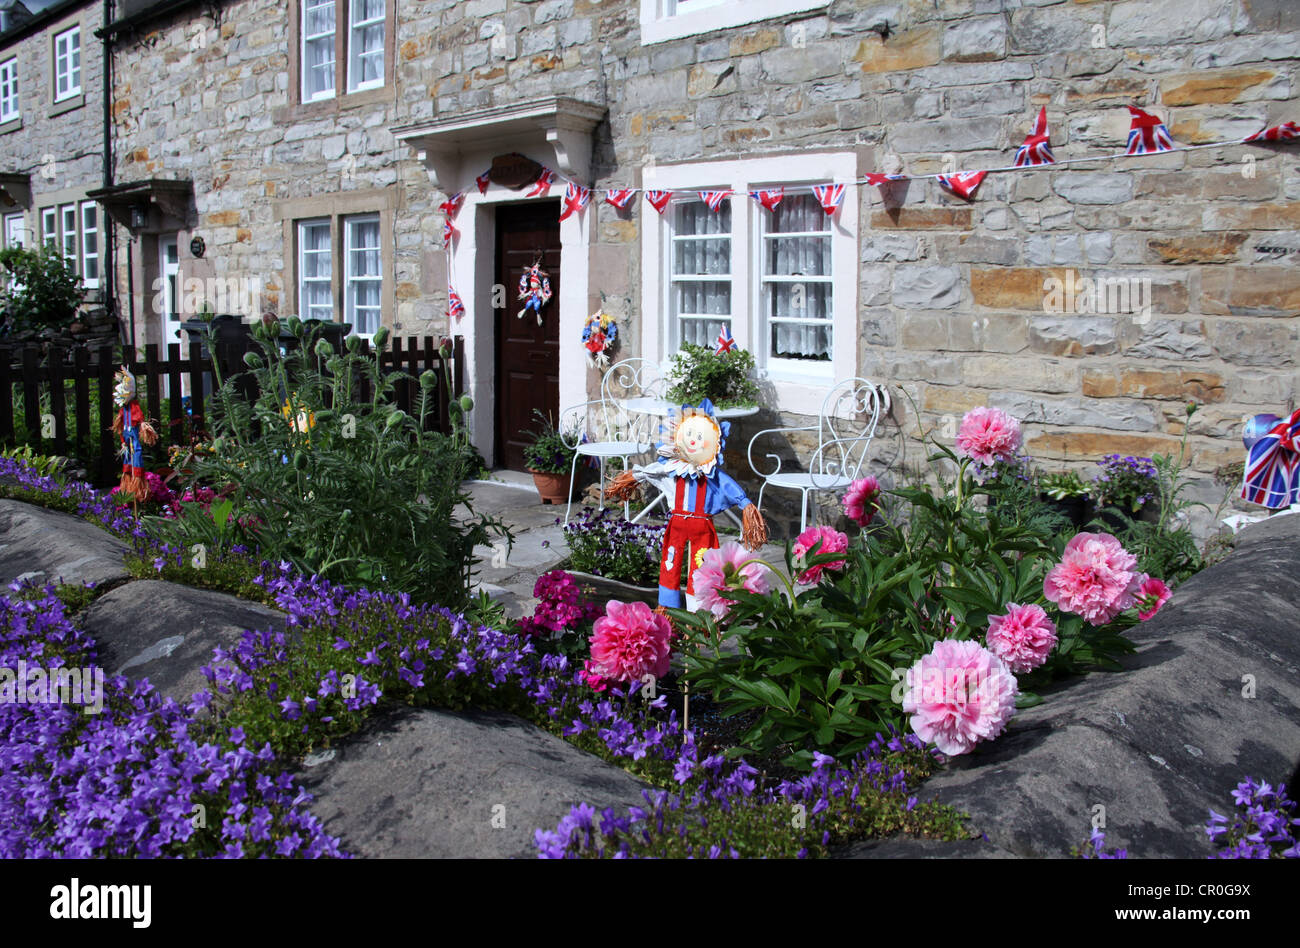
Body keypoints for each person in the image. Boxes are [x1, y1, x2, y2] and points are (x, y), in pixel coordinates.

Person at [608, 399, 766, 609]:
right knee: (670, 563)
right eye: (689, 434)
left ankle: (698, 613)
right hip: (677, 525)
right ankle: (668, 608)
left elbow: (731, 489)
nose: (693, 441)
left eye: (700, 437)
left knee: (702, 568)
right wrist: (633, 477)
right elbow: (651, 470)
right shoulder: (672, 470)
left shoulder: (712, 475)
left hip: (702, 527)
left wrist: (747, 507)